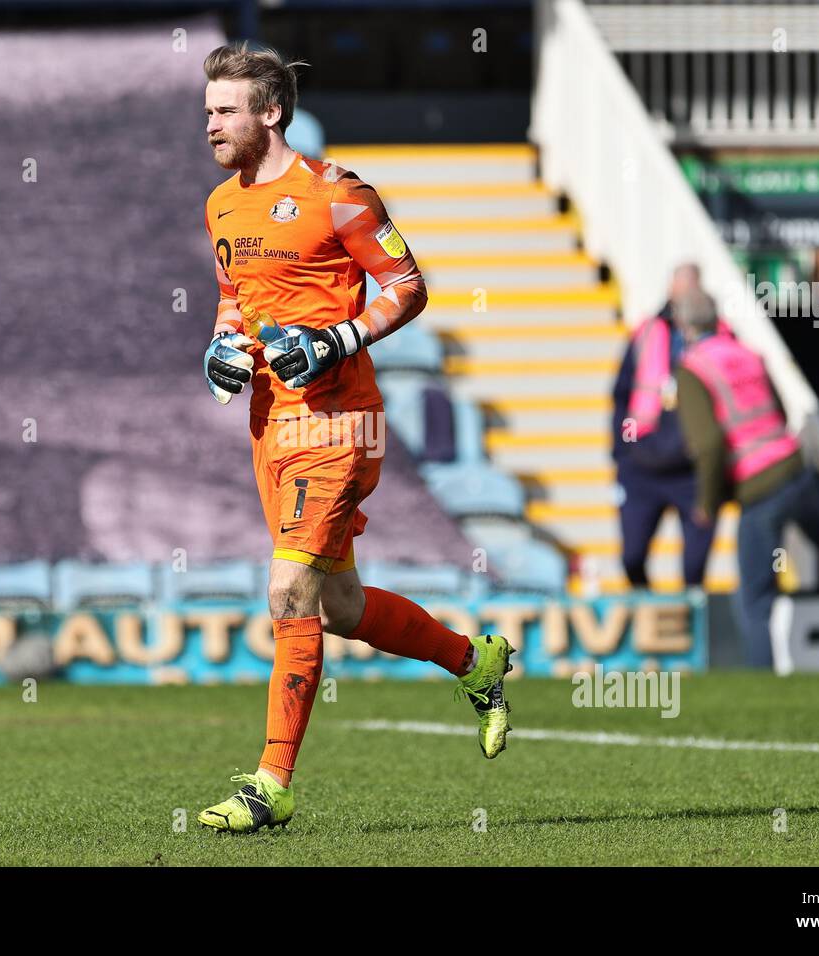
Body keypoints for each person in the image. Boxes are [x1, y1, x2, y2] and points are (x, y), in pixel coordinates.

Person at [197, 42, 514, 834]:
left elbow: (408, 287)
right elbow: (235, 298)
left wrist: (338, 339)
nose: (211, 124)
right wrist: (220, 350)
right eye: (207, 111)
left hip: (338, 423)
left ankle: (271, 785)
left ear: (270, 112)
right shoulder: (220, 205)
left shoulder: (337, 193)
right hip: (271, 422)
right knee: (338, 606)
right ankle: (474, 661)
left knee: (287, 592)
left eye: (226, 110)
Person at [671, 290, 819, 667]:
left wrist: (707, 503)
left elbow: (707, 445)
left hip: (758, 484)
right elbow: (779, 407)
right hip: (795, 466)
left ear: (683, 325)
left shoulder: (692, 369)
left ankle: (764, 680)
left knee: (754, 596)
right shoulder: (746, 353)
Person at [610, 264, 716, 589]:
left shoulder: (721, 340)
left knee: (695, 570)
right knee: (632, 557)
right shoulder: (647, 333)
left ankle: (692, 632)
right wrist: (623, 453)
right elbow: (621, 395)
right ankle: (650, 623)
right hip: (644, 463)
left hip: (693, 469)